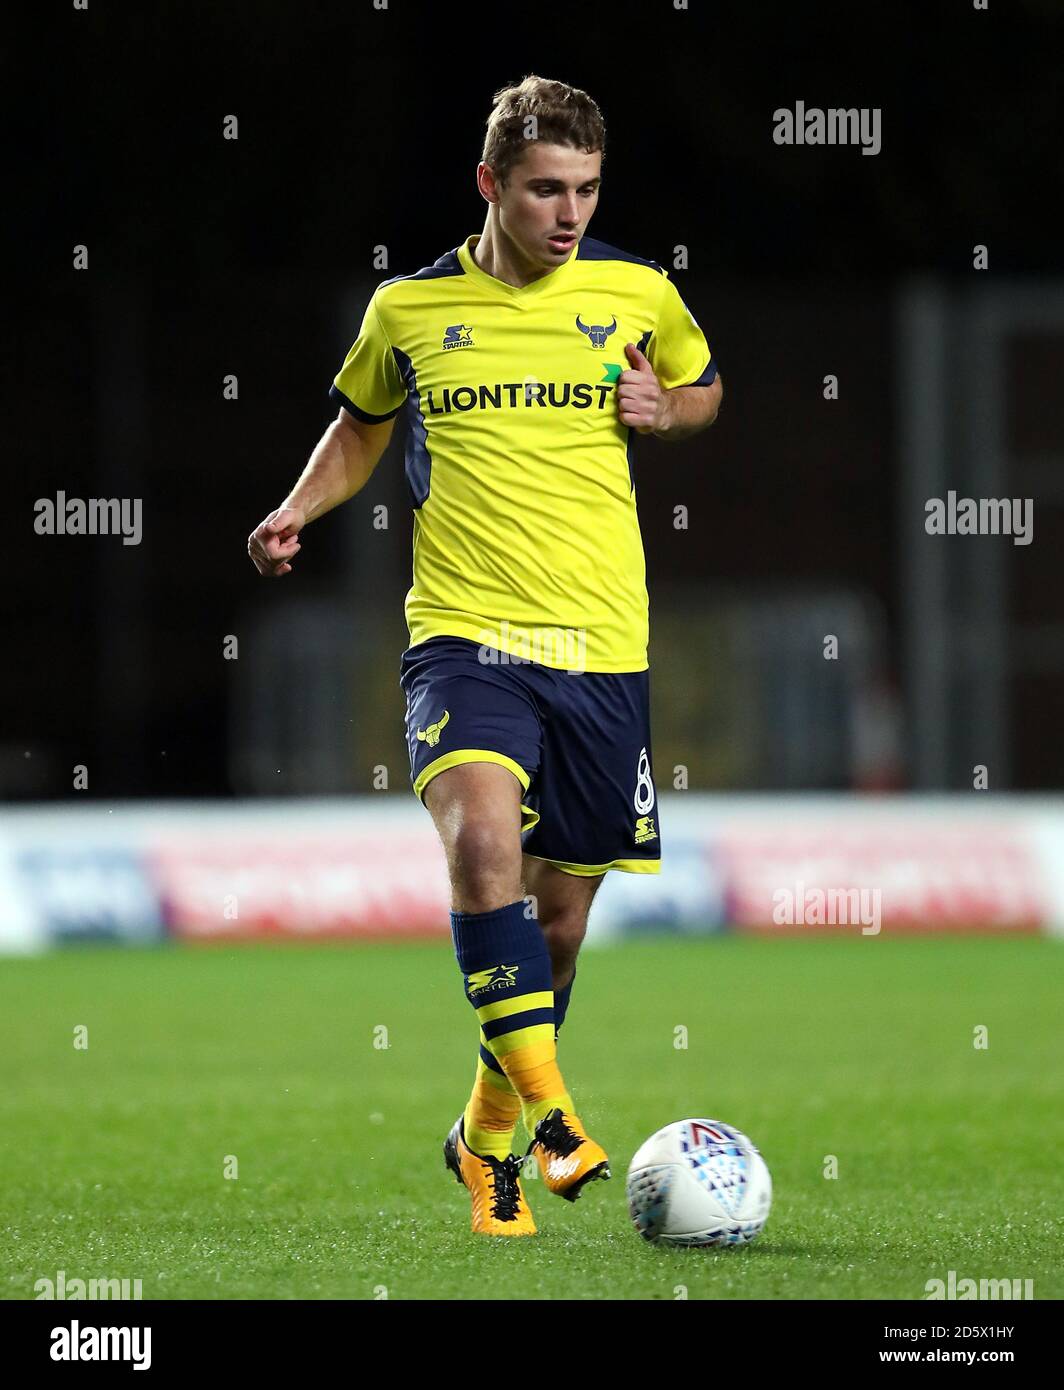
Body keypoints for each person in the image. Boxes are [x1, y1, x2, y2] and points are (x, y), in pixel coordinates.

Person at [248, 74, 722, 1236]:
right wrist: (297, 508)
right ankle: (556, 1118)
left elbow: (704, 389)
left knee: (555, 928)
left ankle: (485, 1138)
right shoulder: (407, 311)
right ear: (488, 187)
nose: (568, 213)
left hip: (602, 646)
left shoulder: (634, 290)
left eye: (586, 189)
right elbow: (360, 425)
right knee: (479, 840)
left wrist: (670, 412)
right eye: (544, 190)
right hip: (463, 638)